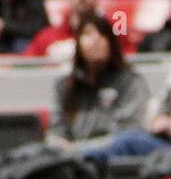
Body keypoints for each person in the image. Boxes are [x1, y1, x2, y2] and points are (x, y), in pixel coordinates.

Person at [51, 13, 150, 145]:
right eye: (87, 34)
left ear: (112, 43)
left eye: (102, 34)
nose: (95, 39)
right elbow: (56, 130)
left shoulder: (131, 82)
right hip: (71, 160)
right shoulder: (65, 85)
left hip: (115, 160)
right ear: (77, 43)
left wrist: (79, 149)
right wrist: (59, 144)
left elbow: (128, 133)